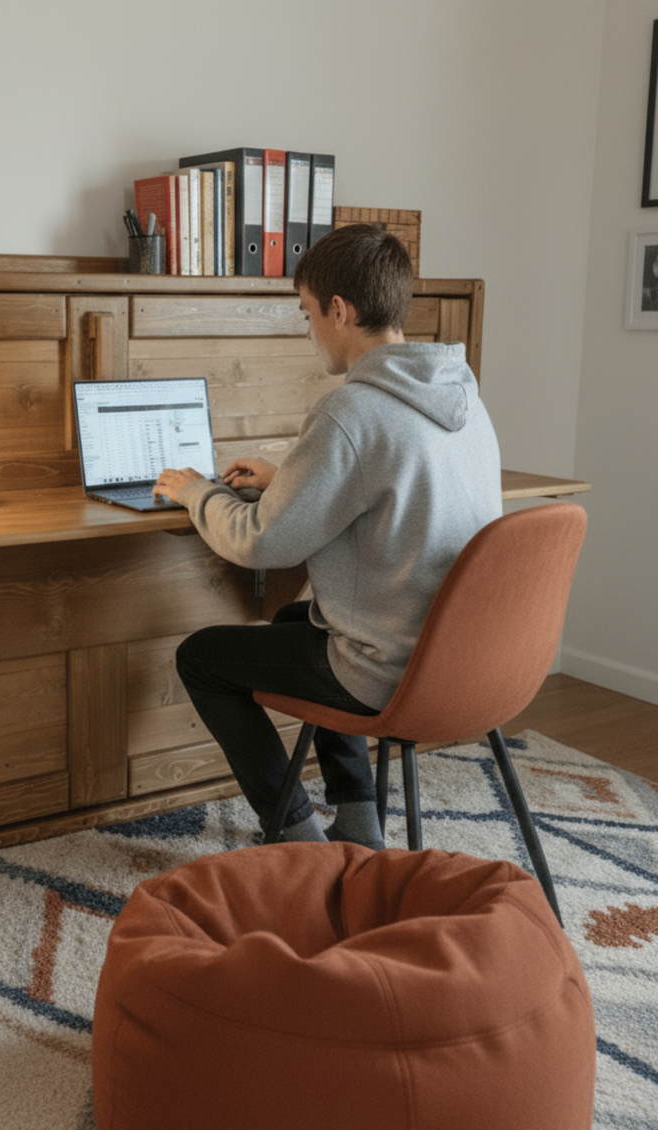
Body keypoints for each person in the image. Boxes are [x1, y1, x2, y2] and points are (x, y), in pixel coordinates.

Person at [152, 222, 502, 848]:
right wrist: (292, 476)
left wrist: (194, 491)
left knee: (201, 658)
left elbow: (260, 540)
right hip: (471, 661)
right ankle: (360, 820)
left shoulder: (351, 410)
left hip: (389, 671)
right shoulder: (463, 395)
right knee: (300, 620)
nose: (308, 327)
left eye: (307, 312)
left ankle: (297, 840)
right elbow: (393, 481)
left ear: (339, 310)